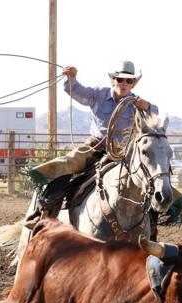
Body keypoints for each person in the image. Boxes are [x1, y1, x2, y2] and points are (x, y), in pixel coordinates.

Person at [26, 61, 158, 223]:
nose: (124, 84)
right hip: (94, 147)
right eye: (120, 79)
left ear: (133, 84)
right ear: (113, 80)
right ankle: (44, 212)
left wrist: (147, 106)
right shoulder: (99, 95)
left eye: (128, 81)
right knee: (67, 165)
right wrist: (72, 77)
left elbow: (155, 115)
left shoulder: (137, 104)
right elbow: (75, 90)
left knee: (151, 178)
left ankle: (152, 223)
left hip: (123, 153)